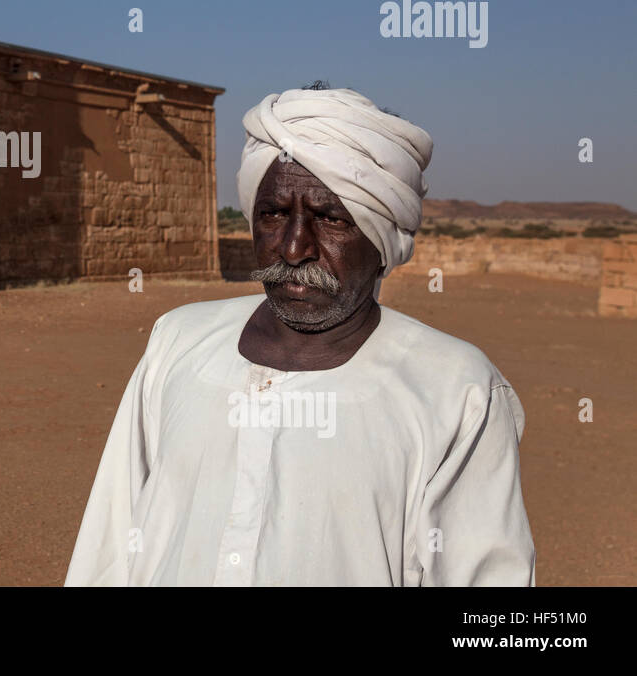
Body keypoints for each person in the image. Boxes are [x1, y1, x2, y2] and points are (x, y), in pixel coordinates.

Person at [64, 84, 535, 586]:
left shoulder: (455, 389)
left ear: (383, 240)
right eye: (273, 214)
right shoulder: (178, 341)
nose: (293, 249)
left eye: (330, 218)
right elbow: (111, 541)